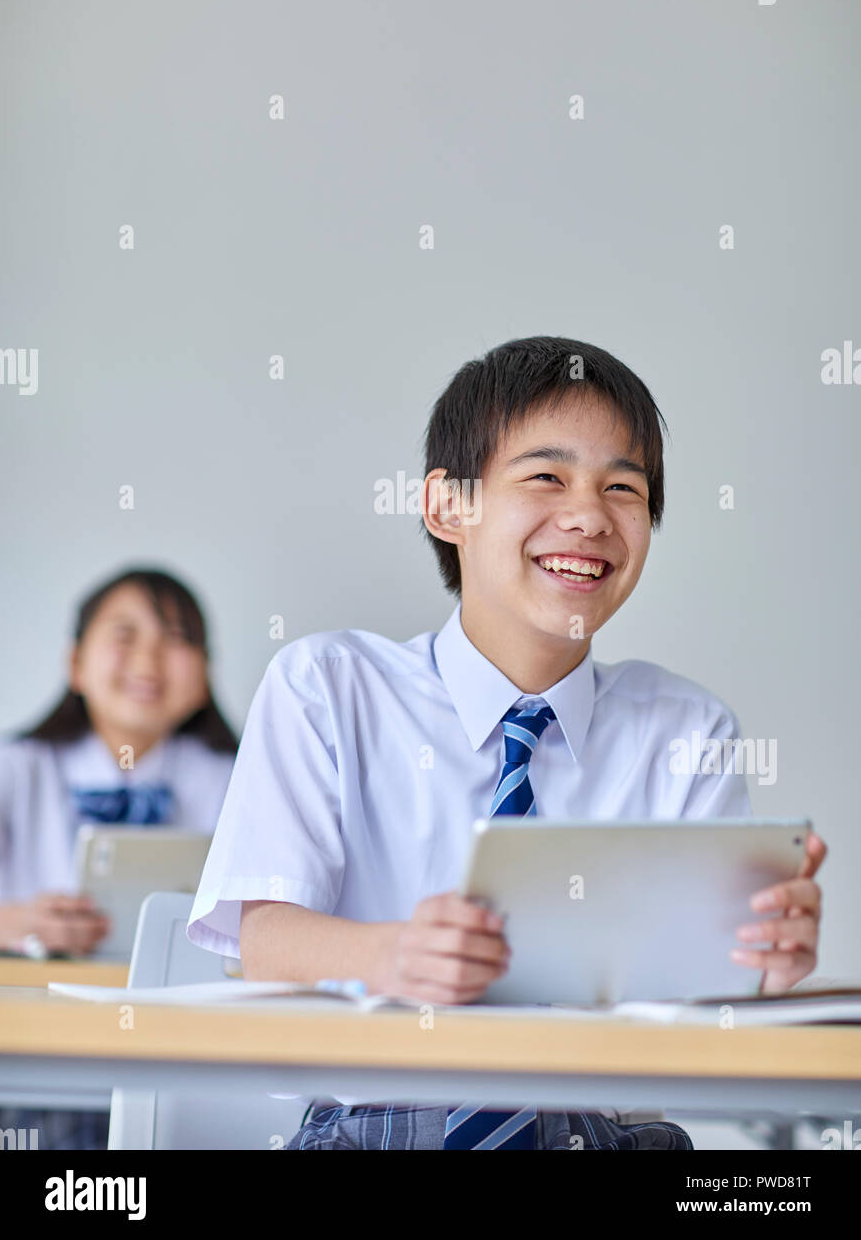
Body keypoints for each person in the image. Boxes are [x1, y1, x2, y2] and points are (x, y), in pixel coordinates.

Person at [187, 336, 826, 1150]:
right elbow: (264, 944)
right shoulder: (326, 686)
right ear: (448, 505)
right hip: (376, 1129)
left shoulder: (688, 730)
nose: (590, 516)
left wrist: (763, 968)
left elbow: (705, 1006)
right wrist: (395, 957)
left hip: (602, 1133)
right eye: (546, 477)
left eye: (623, 488)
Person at [0, 566, 238, 1148]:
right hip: (36, 1058)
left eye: (177, 638)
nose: (149, 659)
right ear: (75, 664)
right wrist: (13, 923)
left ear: (203, 677)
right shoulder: (15, 768)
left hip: (184, 1057)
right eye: (125, 635)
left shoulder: (240, 781)